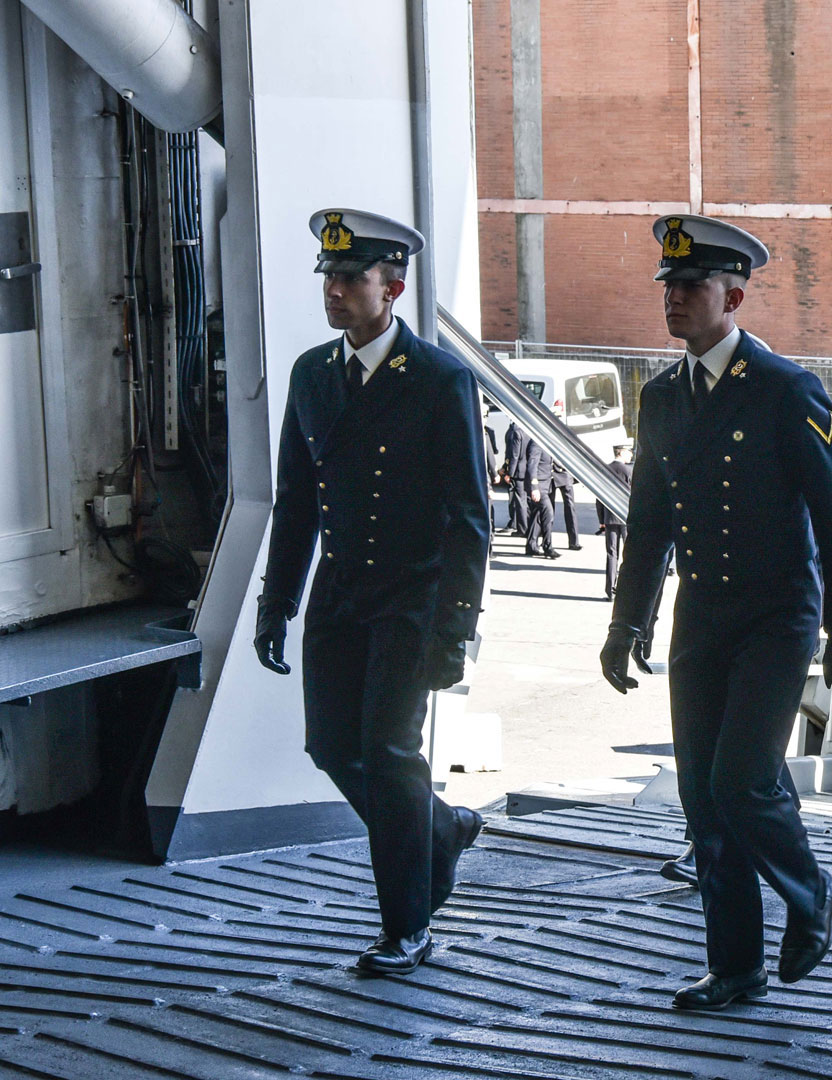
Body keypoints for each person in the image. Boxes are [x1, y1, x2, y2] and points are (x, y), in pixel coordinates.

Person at [599, 214, 832, 1011]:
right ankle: (735, 963)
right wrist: (628, 622)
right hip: (704, 618)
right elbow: (648, 519)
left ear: (735, 294)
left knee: (744, 781)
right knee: (702, 797)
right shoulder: (661, 398)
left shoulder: (788, 390)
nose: (674, 299)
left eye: (691, 287)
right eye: (669, 287)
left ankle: (813, 888)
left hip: (776, 616)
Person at [253, 208, 490, 975]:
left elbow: (468, 519)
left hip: (411, 598)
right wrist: (276, 604)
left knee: (389, 755)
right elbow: (297, 501)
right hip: (340, 592)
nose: (335, 289)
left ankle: (407, 927)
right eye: (329, 276)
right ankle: (440, 831)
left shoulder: (439, 378)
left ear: (392, 287)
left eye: (351, 277)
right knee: (330, 744)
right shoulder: (312, 375)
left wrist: (456, 628)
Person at [599, 444, 632, 600]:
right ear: (622, 452)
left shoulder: (605, 469)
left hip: (610, 518)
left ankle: (610, 590)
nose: (631, 455)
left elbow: (599, 497)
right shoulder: (629, 471)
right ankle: (626, 590)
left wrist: (601, 520)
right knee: (629, 554)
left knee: (612, 554)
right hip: (626, 517)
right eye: (629, 452)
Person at [519, 436, 558, 558]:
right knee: (548, 513)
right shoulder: (537, 442)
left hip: (545, 484)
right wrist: (534, 487)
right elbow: (532, 465)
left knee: (536, 515)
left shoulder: (546, 441)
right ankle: (547, 546)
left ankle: (531, 545)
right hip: (538, 486)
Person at [500, 420, 528, 536]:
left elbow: (514, 455)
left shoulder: (515, 431)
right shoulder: (524, 429)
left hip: (517, 471)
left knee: (519, 501)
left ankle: (521, 529)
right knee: (522, 500)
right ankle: (517, 524)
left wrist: (509, 473)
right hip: (523, 469)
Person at [551, 457, 582, 550]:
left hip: (564, 472)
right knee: (548, 510)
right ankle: (546, 540)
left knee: (570, 508)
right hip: (549, 473)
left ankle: (574, 542)